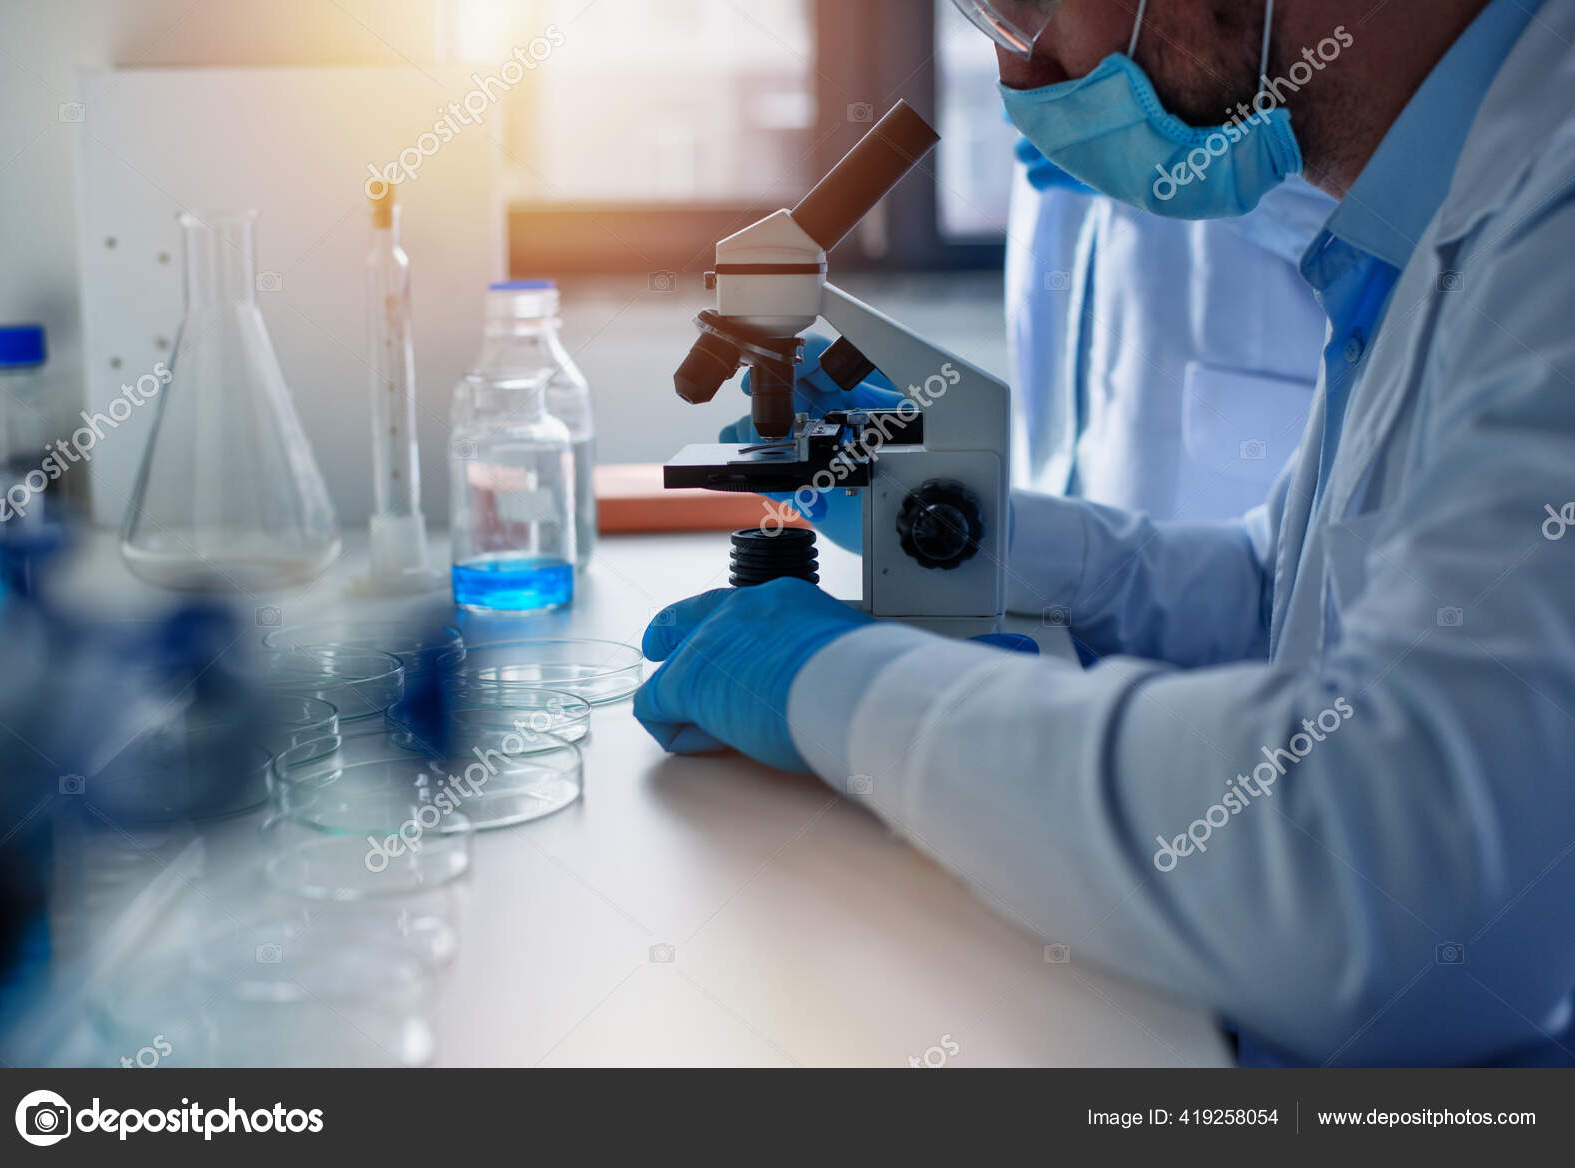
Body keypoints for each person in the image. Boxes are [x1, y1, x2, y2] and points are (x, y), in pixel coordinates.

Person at [636, 0, 1575, 1066]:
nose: (1023, 75)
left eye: (1022, 2)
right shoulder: (1431, 220)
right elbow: (1278, 600)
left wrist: (838, 688)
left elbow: (1402, 879)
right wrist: (950, 522)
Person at [1007, 143, 1334, 519]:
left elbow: (1388, 216)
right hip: (1070, 469)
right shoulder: (1047, 109)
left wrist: (1204, 169)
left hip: (1237, 486)